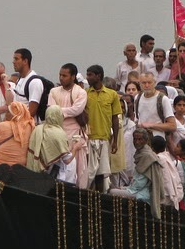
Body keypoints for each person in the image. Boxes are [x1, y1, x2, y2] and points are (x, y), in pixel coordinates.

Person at [48, 62, 89, 187]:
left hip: (74, 134)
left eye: (64, 75)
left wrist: (58, 111)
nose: (61, 78)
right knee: (57, 165)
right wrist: (61, 111)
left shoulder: (80, 92)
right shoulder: (54, 91)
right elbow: (50, 109)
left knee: (77, 165)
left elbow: (77, 110)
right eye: (60, 75)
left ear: (73, 77)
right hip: (57, 134)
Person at [109, 127, 164, 219]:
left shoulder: (147, 156)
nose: (137, 142)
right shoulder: (142, 153)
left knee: (112, 191)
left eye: (140, 139)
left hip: (143, 193)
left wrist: (124, 189)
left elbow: (139, 185)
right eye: (135, 139)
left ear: (146, 141)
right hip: (137, 189)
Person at [85, 64, 121, 192]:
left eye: (90, 75)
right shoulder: (85, 94)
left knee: (102, 172)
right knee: (88, 173)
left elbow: (115, 118)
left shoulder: (112, 94)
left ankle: (100, 197)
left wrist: (115, 140)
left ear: (98, 76)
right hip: (89, 138)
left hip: (105, 138)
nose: (87, 78)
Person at [27, 105, 70, 177]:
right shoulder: (59, 134)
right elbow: (67, 160)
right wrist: (76, 148)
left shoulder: (37, 128)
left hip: (32, 170)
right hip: (49, 174)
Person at [0, 101, 35, 167]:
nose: (6, 114)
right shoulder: (30, 126)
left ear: (14, 114)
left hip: (0, 164)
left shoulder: (3, 125)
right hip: (20, 165)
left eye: (8, 112)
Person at [12, 48, 44, 121]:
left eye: (16, 59)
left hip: (30, 126)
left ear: (25, 61)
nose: (13, 62)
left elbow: (32, 112)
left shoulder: (35, 82)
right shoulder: (19, 80)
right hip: (19, 125)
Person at [152, 136, 183, 208]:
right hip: (174, 195)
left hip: (166, 197)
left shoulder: (159, 159)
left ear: (152, 147)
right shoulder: (167, 157)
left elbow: (166, 180)